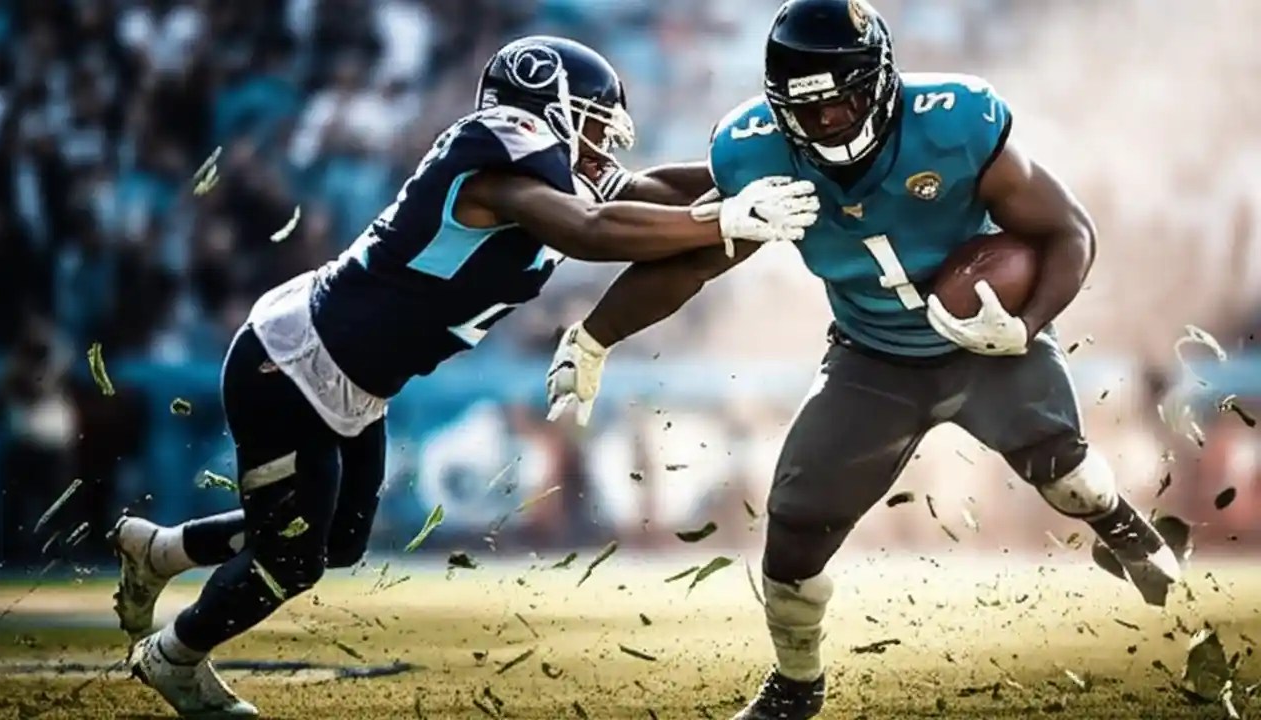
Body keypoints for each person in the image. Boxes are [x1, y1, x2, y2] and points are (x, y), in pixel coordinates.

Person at [109, 35, 817, 717]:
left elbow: (649, 189)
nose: (602, 146)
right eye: (594, 125)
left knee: (339, 542)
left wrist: (756, 172)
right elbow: (592, 231)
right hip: (289, 366)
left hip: (350, 378)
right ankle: (174, 655)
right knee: (291, 560)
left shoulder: (547, 172)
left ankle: (161, 549)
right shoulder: (499, 161)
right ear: (548, 106)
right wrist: (725, 219)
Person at [542, 4, 1183, 719]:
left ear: (880, 82)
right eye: (807, 113)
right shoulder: (756, 152)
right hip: (871, 359)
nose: (829, 126)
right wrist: (597, 333)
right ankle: (795, 686)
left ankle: (1122, 526)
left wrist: (1029, 324)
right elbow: (695, 261)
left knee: (1064, 472)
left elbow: (1069, 230)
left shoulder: (957, 121)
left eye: (843, 102)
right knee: (792, 529)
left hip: (983, 346)